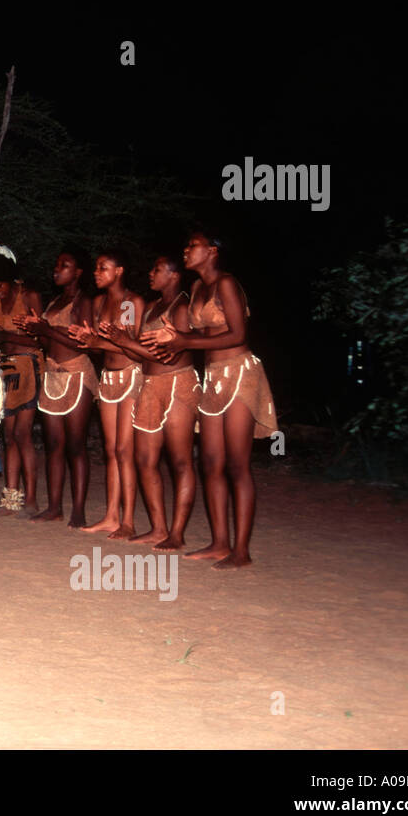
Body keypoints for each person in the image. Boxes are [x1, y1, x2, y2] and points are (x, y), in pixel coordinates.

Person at [143, 233, 277, 568]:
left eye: (192, 246)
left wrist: (183, 339)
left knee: (237, 464)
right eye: (185, 246)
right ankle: (220, 543)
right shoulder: (199, 289)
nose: (186, 251)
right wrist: (175, 339)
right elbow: (201, 338)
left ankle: (241, 550)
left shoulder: (227, 284)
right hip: (214, 377)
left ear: (212, 251)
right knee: (210, 463)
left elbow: (238, 334)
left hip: (239, 373)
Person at [97, 256, 198, 548]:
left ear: (174, 275)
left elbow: (169, 355)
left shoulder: (181, 307)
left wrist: (122, 341)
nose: (151, 273)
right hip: (150, 384)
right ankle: (159, 528)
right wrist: (105, 342)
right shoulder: (154, 307)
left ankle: (177, 533)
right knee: (145, 460)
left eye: (157, 270)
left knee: (180, 461)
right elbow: (141, 350)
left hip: (177, 381)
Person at [15, 249, 97, 527]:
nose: (57, 269)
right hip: (52, 374)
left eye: (65, 265)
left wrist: (45, 329)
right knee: (54, 445)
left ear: (78, 272)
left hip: (76, 374)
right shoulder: (54, 303)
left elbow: (82, 342)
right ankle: (53, 507)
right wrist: (36, 331)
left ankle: (78, 510)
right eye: (56, 264)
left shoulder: (84, 301)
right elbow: (48, 344)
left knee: (76, 445)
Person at [69, 252, 145, 540]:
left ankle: (128, 521)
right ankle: (112, 516)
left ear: (120, 271)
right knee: (111, 450)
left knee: (125, 451)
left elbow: (130, 348)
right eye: (97, 268)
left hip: (130, 376)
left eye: (104, 268)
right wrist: (87, 339)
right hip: (108, 378)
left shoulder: (130, 302)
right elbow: (101, 348)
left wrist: (96, 341)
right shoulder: (100, 303)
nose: (97, 273)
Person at [0, 254, 43, 515]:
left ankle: (31, 498)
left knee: (23, 435)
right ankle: (12, 496)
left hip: (29, 367)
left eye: (0, 285)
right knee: (8, 436)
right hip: (5, 370)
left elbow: (42, 341)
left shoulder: (29, 297)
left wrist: (9, 337)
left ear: (11, 279)